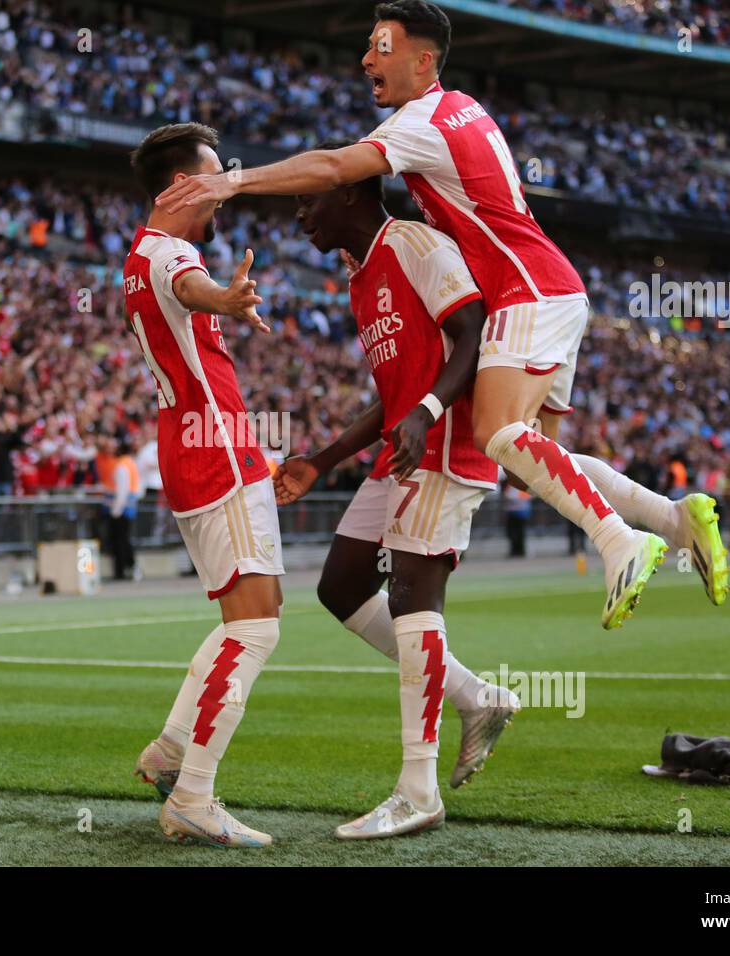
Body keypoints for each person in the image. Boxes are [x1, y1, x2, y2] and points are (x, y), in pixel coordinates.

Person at [155, 0, 730, 628]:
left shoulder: (424, 119)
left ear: (423, 60)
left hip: (525, 288)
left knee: (496, 432)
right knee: (531, 458)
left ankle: (620, 541)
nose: (366, 59)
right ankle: (673, 518)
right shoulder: (462, 111)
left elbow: (333, 166)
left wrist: (231, 183)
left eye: (381, 47)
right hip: (553, 286)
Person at [276, 168, 519, 838]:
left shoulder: (413, 243)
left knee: (414, 599)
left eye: (308, 200)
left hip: (442, 447)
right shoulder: (360, 278)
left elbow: (473, 332)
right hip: (402, 449)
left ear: (350, 193)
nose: (300, 215)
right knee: (342, 586)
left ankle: (419, 790)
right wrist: (322, 459)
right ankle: (478, 697)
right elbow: (394, 391)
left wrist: (429, 410)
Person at [123, 122, 283, 848]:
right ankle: (193, 795)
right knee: (255, 627)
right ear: (180, 186)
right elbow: (195, 289)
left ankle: (171, 751)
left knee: (240, 621)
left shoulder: (137, 257)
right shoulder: (173, 253)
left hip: (194, 450)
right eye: (214, 178)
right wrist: (227, 297)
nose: (222, 191)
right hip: (216, 451)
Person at [106, 435, 140, 581]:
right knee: (125, 538)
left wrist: (116, 510)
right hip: (130, 506)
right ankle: (129, 568)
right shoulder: (130, 463)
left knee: (120, 540)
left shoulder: (121, 466)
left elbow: (122, 491)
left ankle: (123, 569)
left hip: (122, 508)